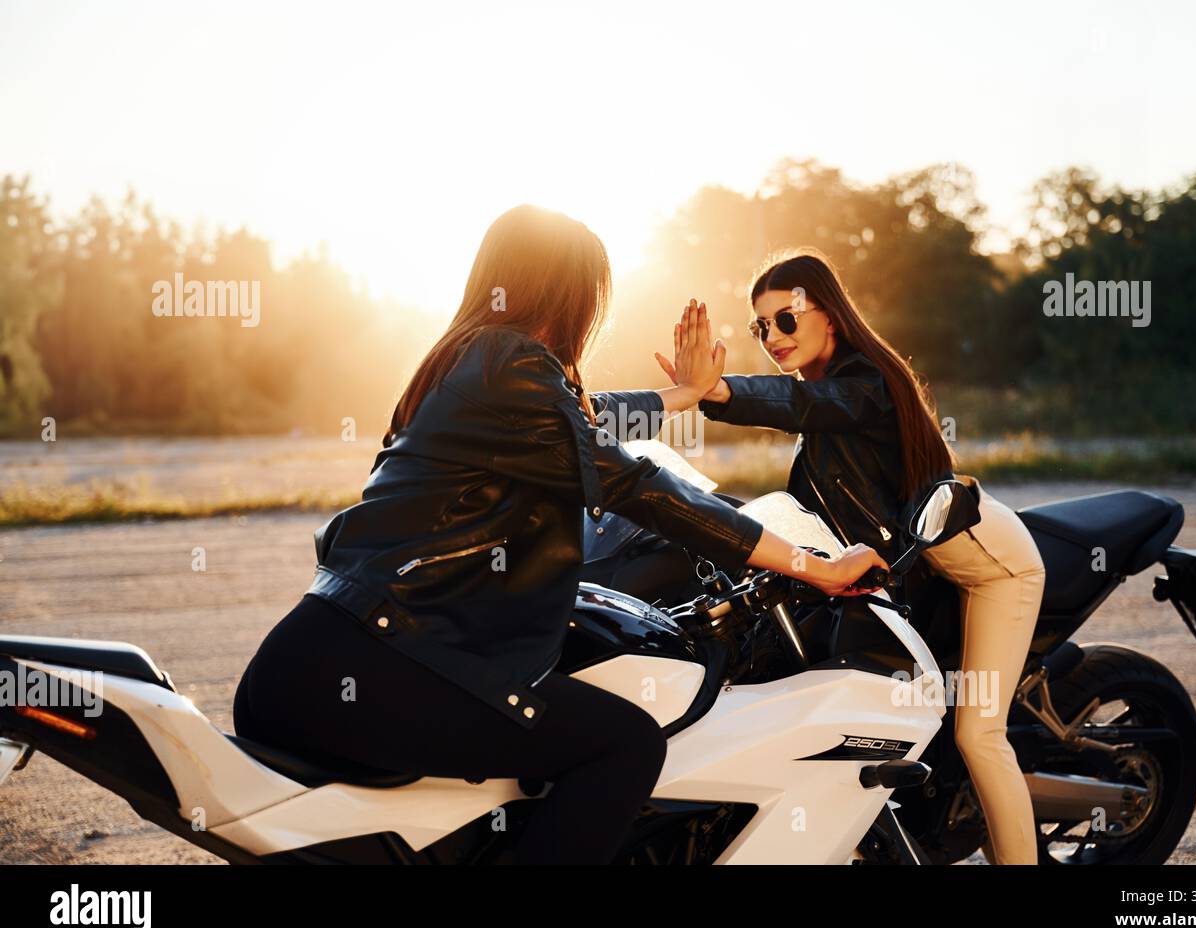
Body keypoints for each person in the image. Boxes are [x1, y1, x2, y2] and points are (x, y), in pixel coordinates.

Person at [232, 210, 888, 865]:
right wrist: (812, 566)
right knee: (623, 744)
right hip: (377, 664)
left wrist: (682, 395)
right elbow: (640, 488)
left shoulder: (469, 360)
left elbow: (584, 422)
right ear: (570, 293)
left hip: (325, 655)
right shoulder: (511, 363)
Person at [654, 250, 1046, 865]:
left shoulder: (867, 385)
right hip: (923, 557)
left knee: (977, 734)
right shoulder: (827, 412)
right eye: (760, 327)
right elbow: (797, 511)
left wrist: (716, 391)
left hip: (994, 564)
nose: (772, 336)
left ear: (829, 314)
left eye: (786, 318)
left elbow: (801, 405)